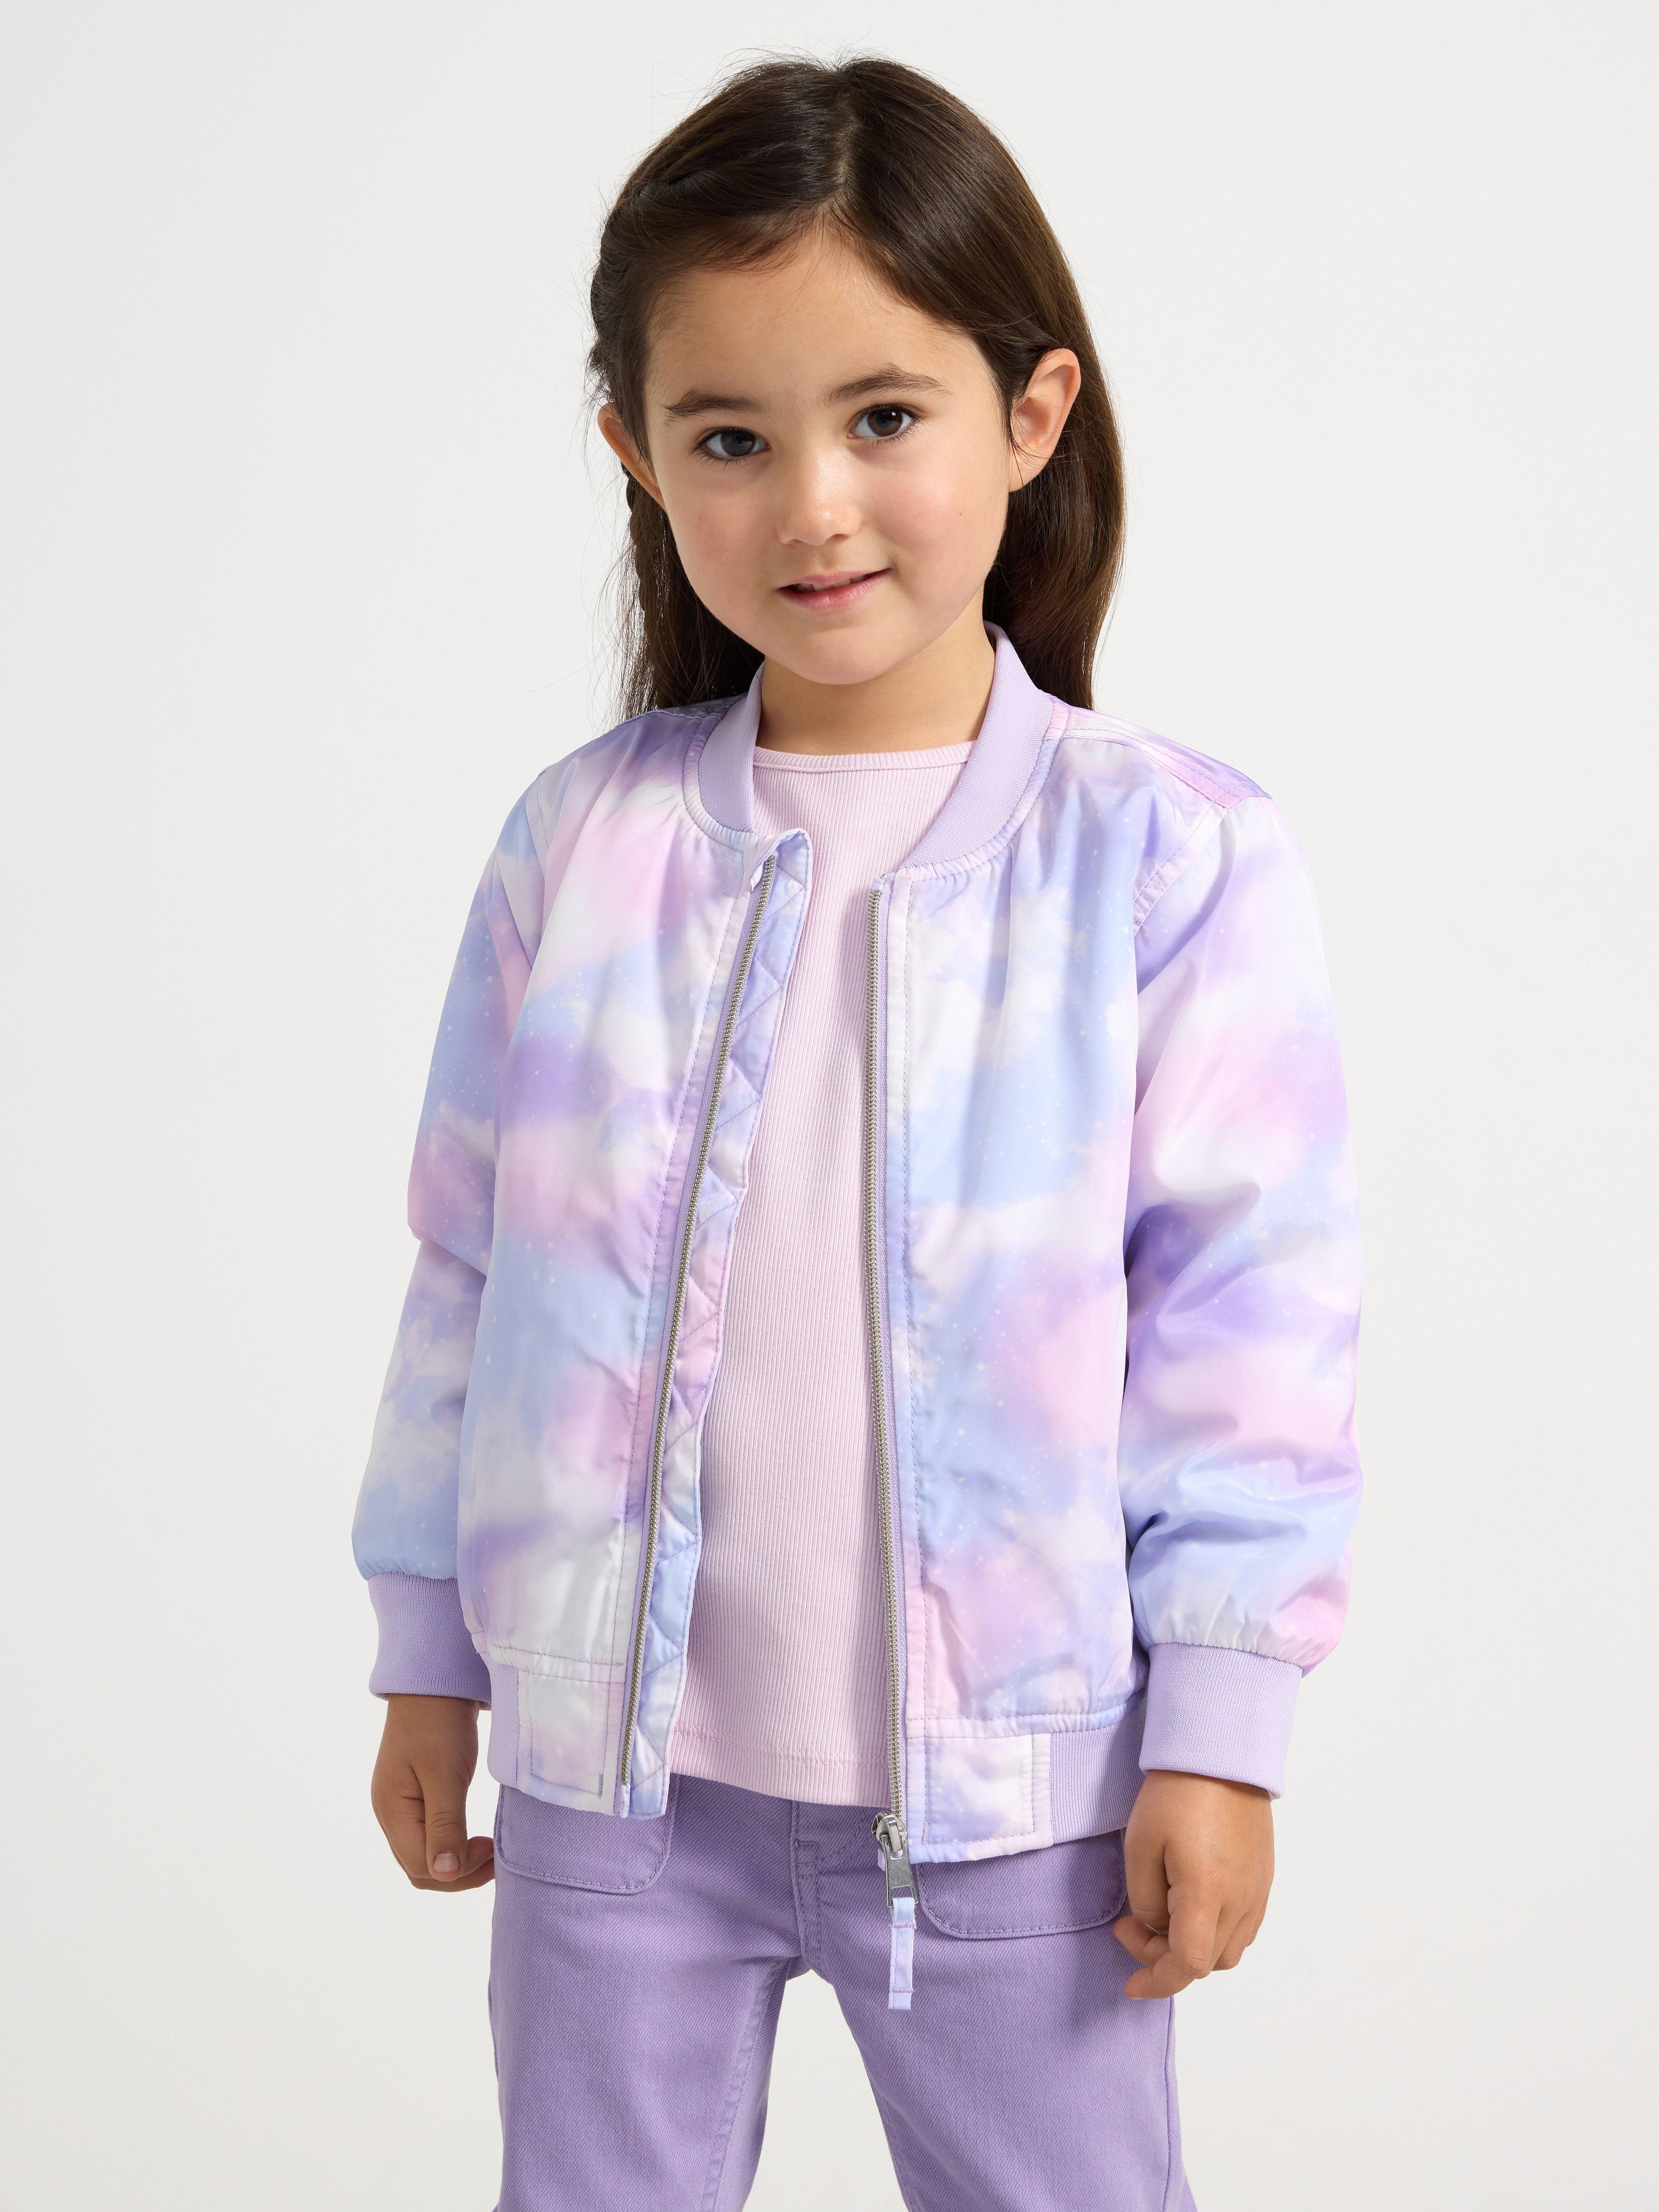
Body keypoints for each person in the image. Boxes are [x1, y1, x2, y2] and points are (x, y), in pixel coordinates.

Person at [351, 53, 1362, 2212]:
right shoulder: (582, 845)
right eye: (730, 437)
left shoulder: (1165, 857)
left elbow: (1248, 1331)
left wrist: (1218, 1727)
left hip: (1019, 1807)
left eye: (884, 416)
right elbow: (467, 1266)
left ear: (1030, 413)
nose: (811, 504)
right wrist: (431, 1652)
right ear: (636, 454)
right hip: (617, 1789)